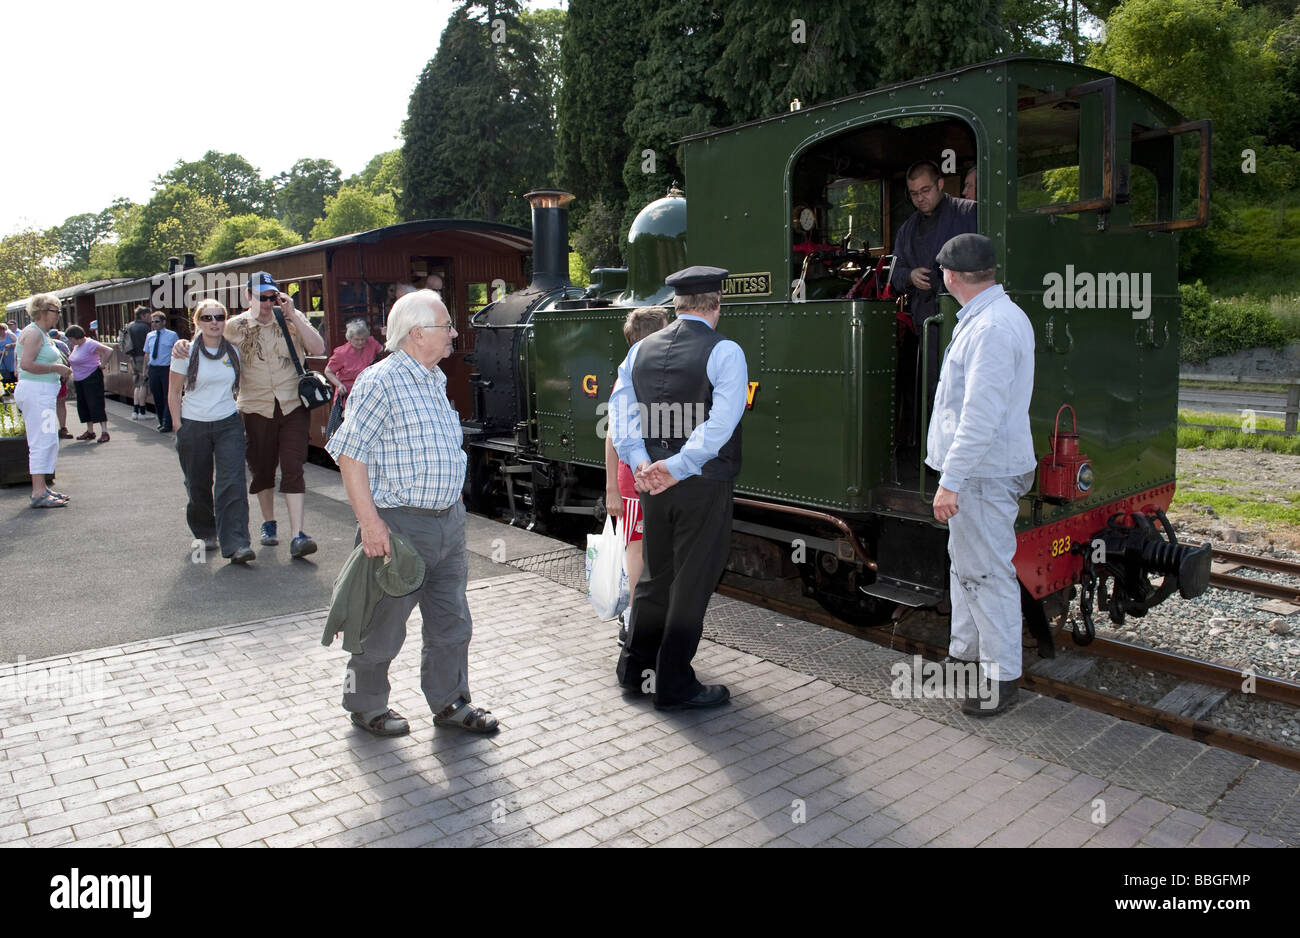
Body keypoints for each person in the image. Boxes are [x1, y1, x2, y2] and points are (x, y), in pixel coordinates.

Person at [325, 289, 498, 737]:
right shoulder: (379, 381)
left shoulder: (434, 379)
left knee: (452, 620)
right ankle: (366, 706)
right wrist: (370, 524)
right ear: (418, 333)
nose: (455, 334)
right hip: (398, 525)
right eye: (447, 326)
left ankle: (451, 702)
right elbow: (350, 456)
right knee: (382, 624)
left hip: (446, 524)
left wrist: (452, 497)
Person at [610, 266, 748, 711]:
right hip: (701, 483)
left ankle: (637, 670)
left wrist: (642, 462)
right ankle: (673, 683)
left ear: (676, 304)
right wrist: (679, 465)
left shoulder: (640, 351)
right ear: (717, 305)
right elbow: (722, 422)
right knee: (692, 581)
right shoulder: (724, 351)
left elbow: (621, 412)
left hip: (653, 481)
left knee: (655, 574)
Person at [926, 233, 1036, 717]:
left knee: (987, 572)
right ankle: (965, 653)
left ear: (950, 277)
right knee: (965, 565)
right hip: (982, 470)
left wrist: (951, 480)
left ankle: (1001, 677)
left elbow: (979, 415)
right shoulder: (991, 317)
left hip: (982, 473)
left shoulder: (990, 327)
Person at [175, 272, 326, 559]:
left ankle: (298, 535)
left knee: (293, 467)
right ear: (248, 297)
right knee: (262, 468)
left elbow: (318, 348)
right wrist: (182, 344)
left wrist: (293, 315)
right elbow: (205, 338)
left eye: (273, 297)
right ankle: (269, 522)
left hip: (293, 404)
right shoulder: (234, 326)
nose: (269, 303)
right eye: (262, 297)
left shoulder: (292, 319)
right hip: (255, 407)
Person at [889, 160, 978, 445]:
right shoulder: (906, 230)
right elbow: (893, 274)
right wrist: (909, 276)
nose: (920, 198)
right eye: (914, 193)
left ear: (940, 184)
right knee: (933, 393)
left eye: (925, 190)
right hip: (926, 325)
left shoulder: (970, 214)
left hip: (966, 322)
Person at [168, 300, 255, 565]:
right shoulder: (185, 352)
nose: (214, 322)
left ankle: (237, 543)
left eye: (219, 317)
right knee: (198, 483)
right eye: (207, 318)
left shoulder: (233, 352)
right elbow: (173, 392)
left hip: (227, 422)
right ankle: (205, 531)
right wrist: (178, 426)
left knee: (233, 482)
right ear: (198, 322)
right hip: (194, 423)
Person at [603, 306, 669, 646]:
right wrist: (611, 486)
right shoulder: (627, 379)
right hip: (632, 484)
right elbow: (613, 434)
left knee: (654, 550)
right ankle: (631, 614)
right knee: (637, 549)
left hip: (656, 479)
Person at [14, 295, 73, 508]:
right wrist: (56, 368)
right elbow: (27, 364)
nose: (58, 315)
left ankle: (43, 488)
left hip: (43, 393)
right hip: (37, 392)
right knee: (41, 441)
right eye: (55, 310)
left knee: (48, 440)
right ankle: (38, 491)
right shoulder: (33, 333)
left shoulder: (40, 333)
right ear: (42, 311)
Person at [323, 319, 383, 439]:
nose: (360, 342)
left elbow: (385, 353)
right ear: (349, 338)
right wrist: (339, 385)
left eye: (363, 339)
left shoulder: (371, 343)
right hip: (348, 395)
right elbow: (328, 371)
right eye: (357, 339)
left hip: (368, 394)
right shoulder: (341, 353)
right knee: (350, 432)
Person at [64, 326, 113, 443]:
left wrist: (103, 364)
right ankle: (90, 431)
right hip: (79, 379)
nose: (70, 341)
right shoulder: (77, 346)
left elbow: (109, 351)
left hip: (92, 377)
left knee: (96, 403)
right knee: (83, 405)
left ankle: (104, 432)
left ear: (76, 337)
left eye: (70, 339)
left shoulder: (90, 343)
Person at [142, 312, 179, 432]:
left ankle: (167, 423)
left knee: (167, 396)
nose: (154, 324)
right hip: (153, 369)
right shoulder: (150, 336)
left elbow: (177, 353)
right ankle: (161, 421)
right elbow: (147, 354)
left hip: (166, 369)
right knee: (157, 396)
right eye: (152, 322)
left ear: (163, 322)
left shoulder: (172, 335)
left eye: (157, 321)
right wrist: (145, 370)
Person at [123, 306, 152, 420]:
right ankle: (143, 412)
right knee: (143, 384)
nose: (150, 318)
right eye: (149, 315)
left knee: (137, 384)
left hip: (132, 357)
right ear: (143, 316)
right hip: (142, 357)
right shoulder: (145, 328)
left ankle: (135, 411)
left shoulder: (129, 326)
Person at [48, 329, 72, 439]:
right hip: (49, 377)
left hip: (58, 377)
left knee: (60, 402)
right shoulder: (60, 344)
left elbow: (68, 359)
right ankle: (56, 428)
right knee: (58, 403)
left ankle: (62, 427)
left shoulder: (60, 345)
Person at [0, 321, 16, 386]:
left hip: (11, 357)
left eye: (1, 330)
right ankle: (7, 389)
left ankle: (14, 386)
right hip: (2, 358)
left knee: (13, 371)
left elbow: (18, 343)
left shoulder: (10, 335)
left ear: (3, 329)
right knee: (4, 373)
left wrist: (10, 345)